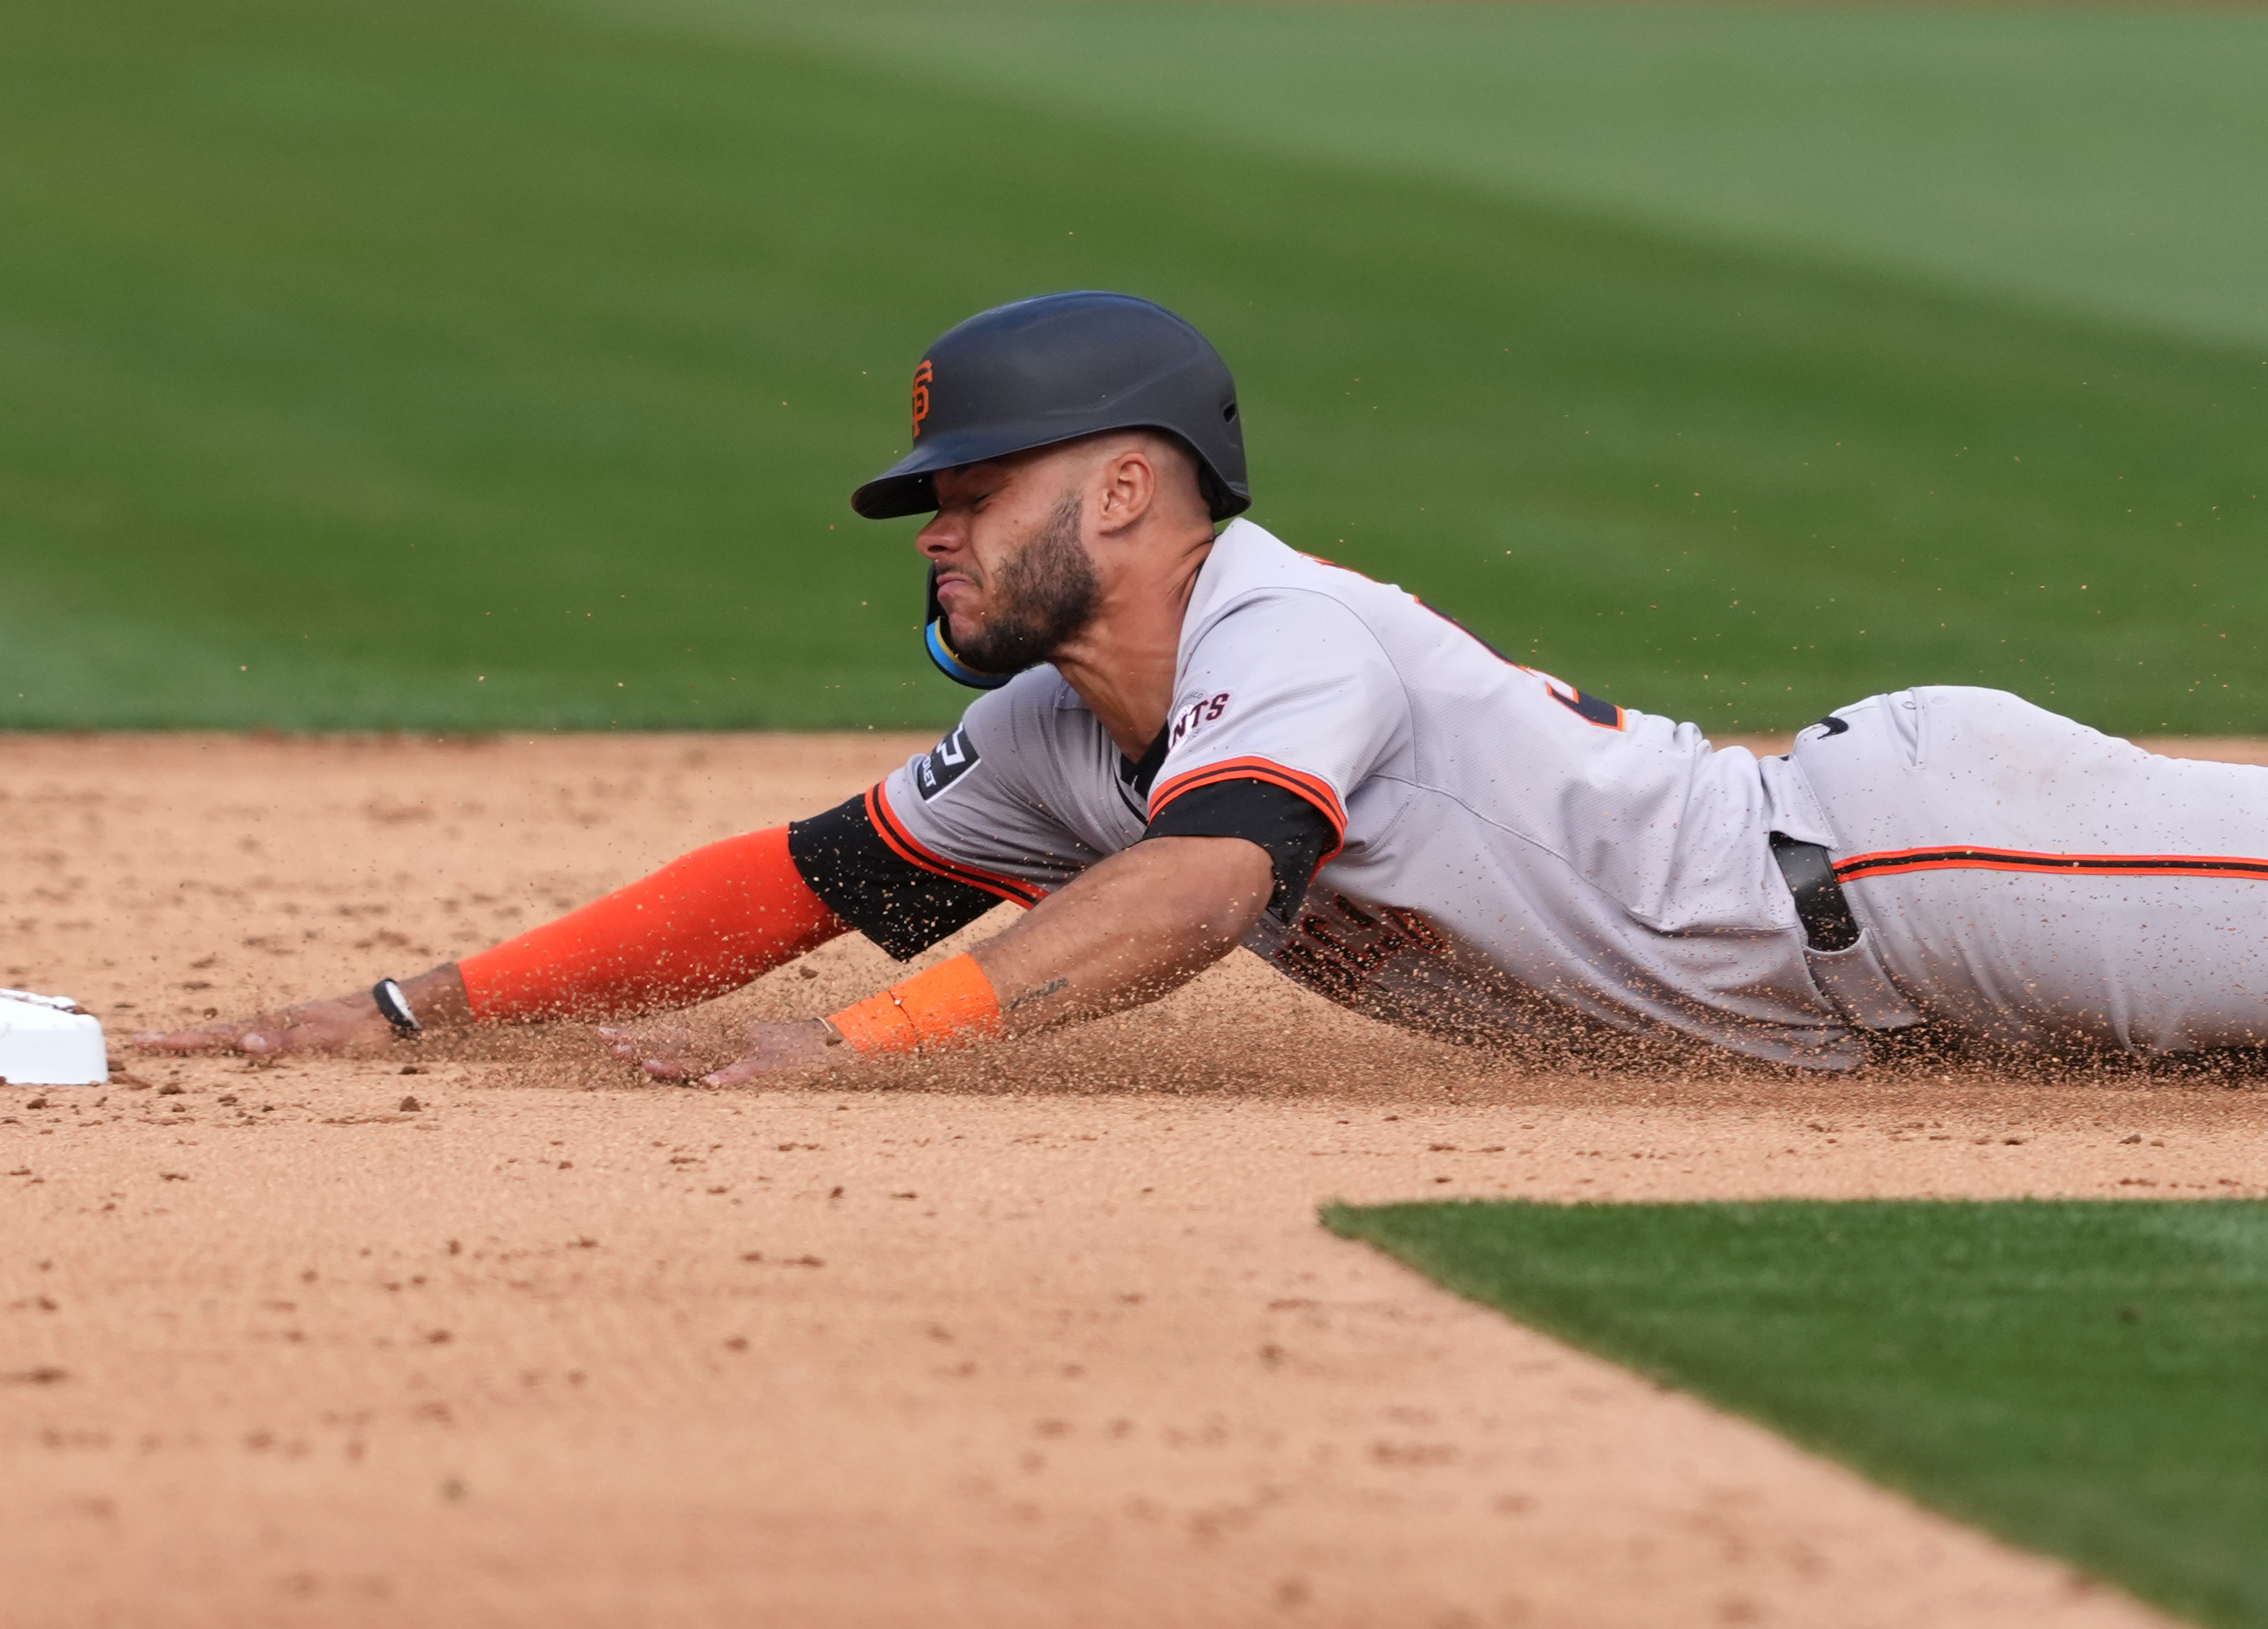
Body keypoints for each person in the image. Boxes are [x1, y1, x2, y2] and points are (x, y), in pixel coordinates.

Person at [143, 291, 2268, 1081]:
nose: (936, 530)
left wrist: (858, 1054)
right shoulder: (1059, 734)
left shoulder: (1283, 628)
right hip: (1889, 1017)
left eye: (973, 489)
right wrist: (408, 1010)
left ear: (1137, 486)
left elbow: (1187, 901)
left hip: (1912, 867)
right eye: (927, 500)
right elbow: (790, 883)